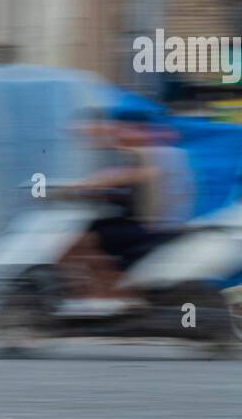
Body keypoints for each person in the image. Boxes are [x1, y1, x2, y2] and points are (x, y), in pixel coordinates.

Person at [56, 107, 194, 316]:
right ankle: (102, 294)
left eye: (125, 128)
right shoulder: (141, 153)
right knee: (76, 244)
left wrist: (89, 184)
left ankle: (112, 295)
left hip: (156, 228)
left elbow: (131, 175)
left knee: (77, 244)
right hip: (142, 223)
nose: (119, 133)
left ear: (143, 130)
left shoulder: (157, 152)